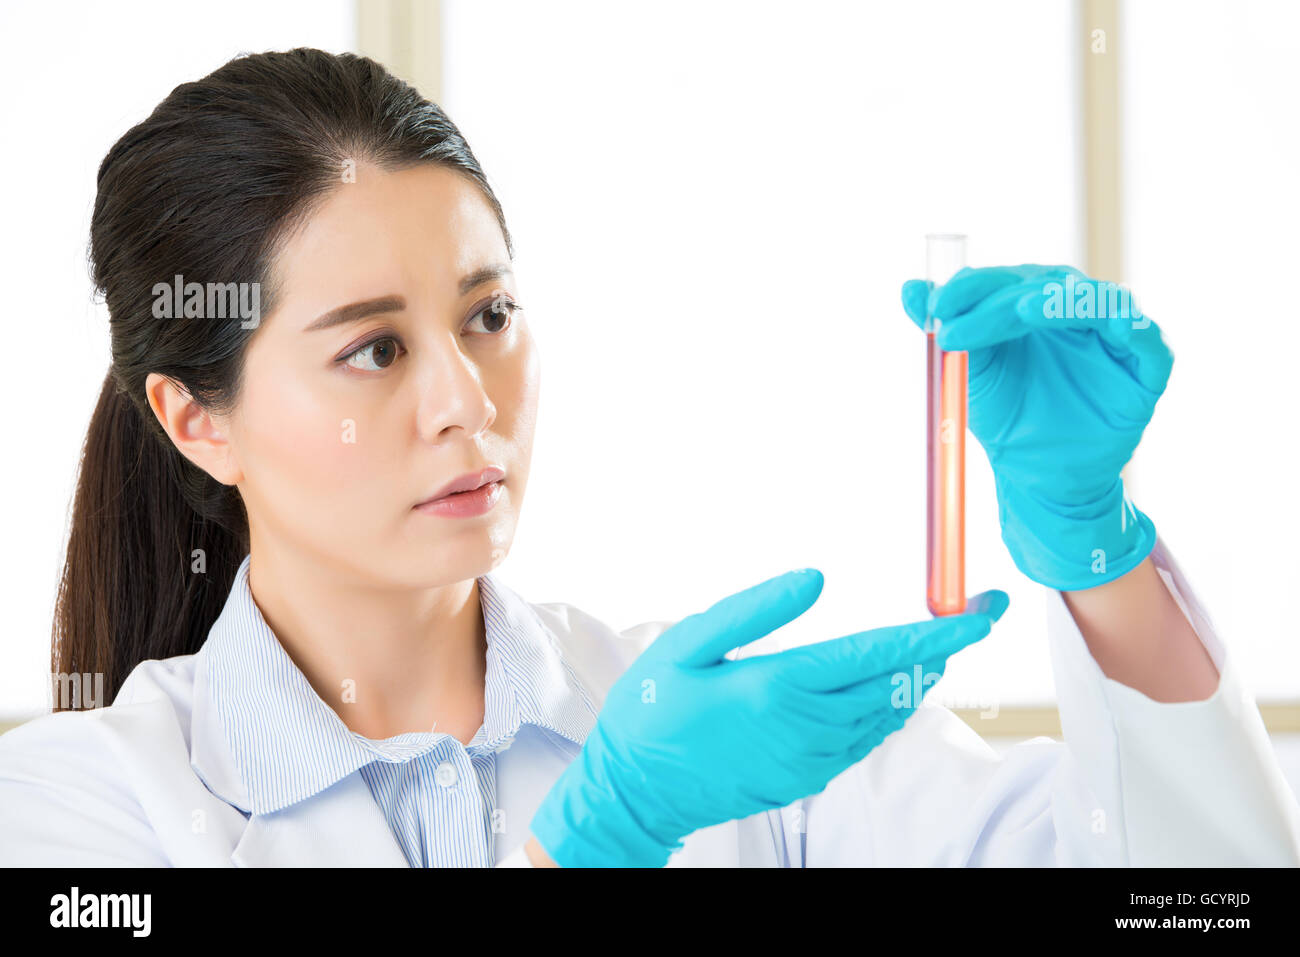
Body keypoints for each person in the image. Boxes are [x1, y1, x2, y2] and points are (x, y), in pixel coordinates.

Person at [0, 49, 1295, 868]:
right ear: (198, 419)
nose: (467, 401)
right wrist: (598, 836)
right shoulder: (83, 808)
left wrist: (1094, 545)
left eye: (488, 316)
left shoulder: (736, 746)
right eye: (373, 349)